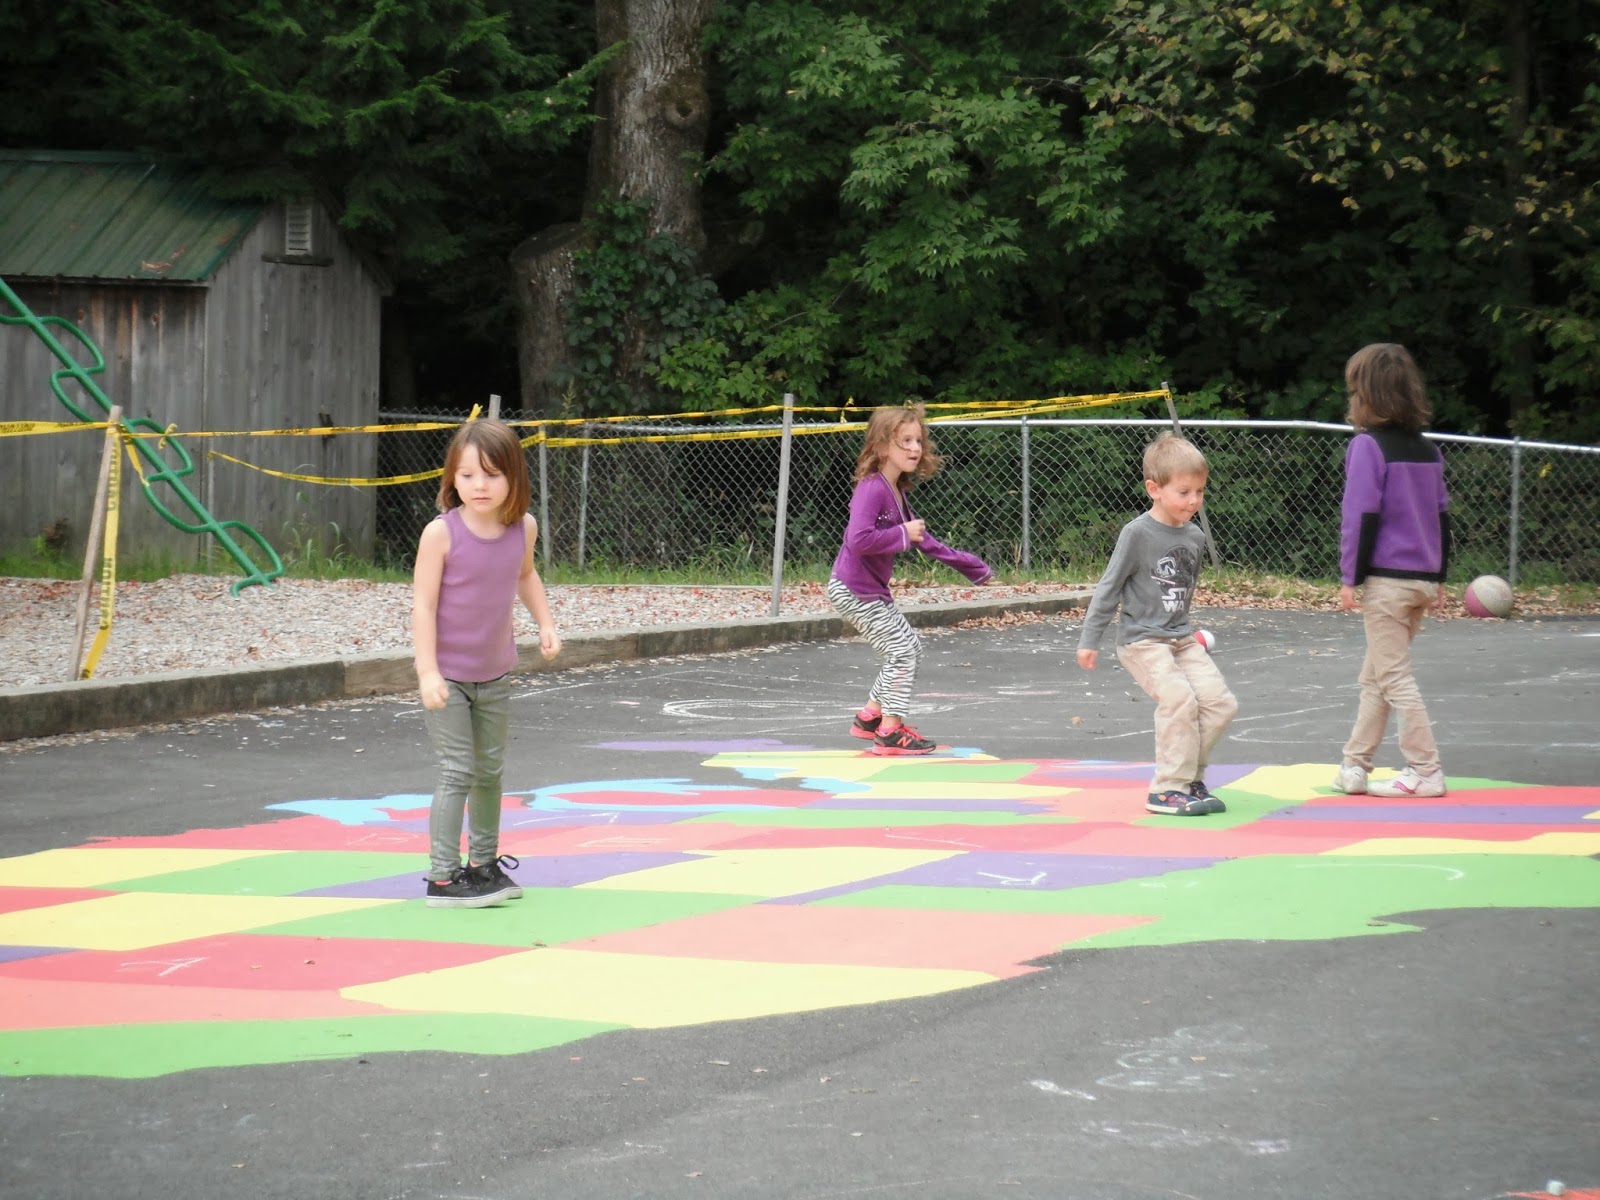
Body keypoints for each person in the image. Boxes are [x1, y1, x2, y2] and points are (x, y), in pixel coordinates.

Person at [412, 419, 561, 907]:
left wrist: (545, 623)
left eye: (494, 475)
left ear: (514, 479)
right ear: (452, 478)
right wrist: (427, 671)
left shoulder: (524, 528)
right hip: (448, 679)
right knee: (457, 771)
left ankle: (483, 865)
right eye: (469, 474)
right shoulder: (441, 534)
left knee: (491, 771)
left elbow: (526, 576)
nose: (480, 485)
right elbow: (424, 605)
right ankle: (441, 876)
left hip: (495, 674)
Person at [1076, 433, 1238, 815]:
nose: (1194, 501)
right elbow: (1109, 587)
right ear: (1155, 489)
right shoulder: (1137, 534)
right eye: (1184, 492)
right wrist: (1090, 639)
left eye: (1199, 491)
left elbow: (1185, 589)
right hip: (1141, 641)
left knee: (1219, 703)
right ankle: (1166, 789)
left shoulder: (1195, 537)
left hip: (1180, 639)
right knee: (1179, 700)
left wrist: (1187, 634)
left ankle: (1189, 780)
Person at [829, 403, 993, 755]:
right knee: (901, 652)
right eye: (905, 441)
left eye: (918, 440)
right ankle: (889, 731)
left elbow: (924, 540)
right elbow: (858, 540)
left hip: (868, 589)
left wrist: (971, 567)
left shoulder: (894, 491)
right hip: (855, 589)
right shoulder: (873, 488)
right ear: (882, 446)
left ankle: (870, 716)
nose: (915, 448)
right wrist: (901, 533)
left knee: (908, 648)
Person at [1332, 342, 1450, 798]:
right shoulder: (1428, 451)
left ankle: (1426, 769)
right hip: (1420, 580)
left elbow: (1360, 515)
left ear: (1365, 395)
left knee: (1394, 677)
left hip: (1387, 581)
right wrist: (1438, 577)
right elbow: (1441, 517)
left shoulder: (1367, 447)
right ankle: (1354, 766)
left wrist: (1349, 577)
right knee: (1377, 676)